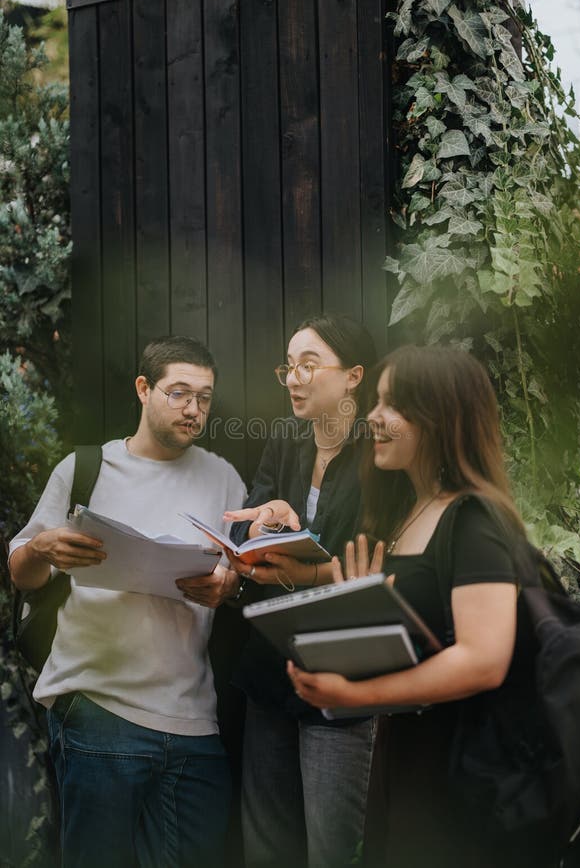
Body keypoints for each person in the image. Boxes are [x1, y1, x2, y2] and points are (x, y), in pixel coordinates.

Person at [9, 336, 247, 868]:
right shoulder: (85, 469)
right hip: (97, 706)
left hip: (195, 722)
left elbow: (237, 570)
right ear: (144, 389)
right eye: (180, 393)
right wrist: (42, 546)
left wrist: (228, 584)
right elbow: (23, 574)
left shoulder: (224, 479)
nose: (194, 410)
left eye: (204, 398)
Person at [288, 344, 529, 868]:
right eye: (376, 401)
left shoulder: (474, 519)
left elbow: (483, 659)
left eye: (391, 405)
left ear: (439, 418)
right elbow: (423, 636)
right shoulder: (409, 512)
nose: (372, 417)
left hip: (463, 775)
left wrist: (356, 693)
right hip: (408, 763)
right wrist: (360, 611)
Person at [224, 314, 378, 868]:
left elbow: (374, 565)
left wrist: (306, 559)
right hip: (272, 658)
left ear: (354, 375)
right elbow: (246, 522)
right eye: (288, 367)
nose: (294, 378)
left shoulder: (380, 453)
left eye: (309, 365)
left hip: (345, 668)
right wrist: (265, 524)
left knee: (331, 847)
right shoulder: (285, 439)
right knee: (266, 842)